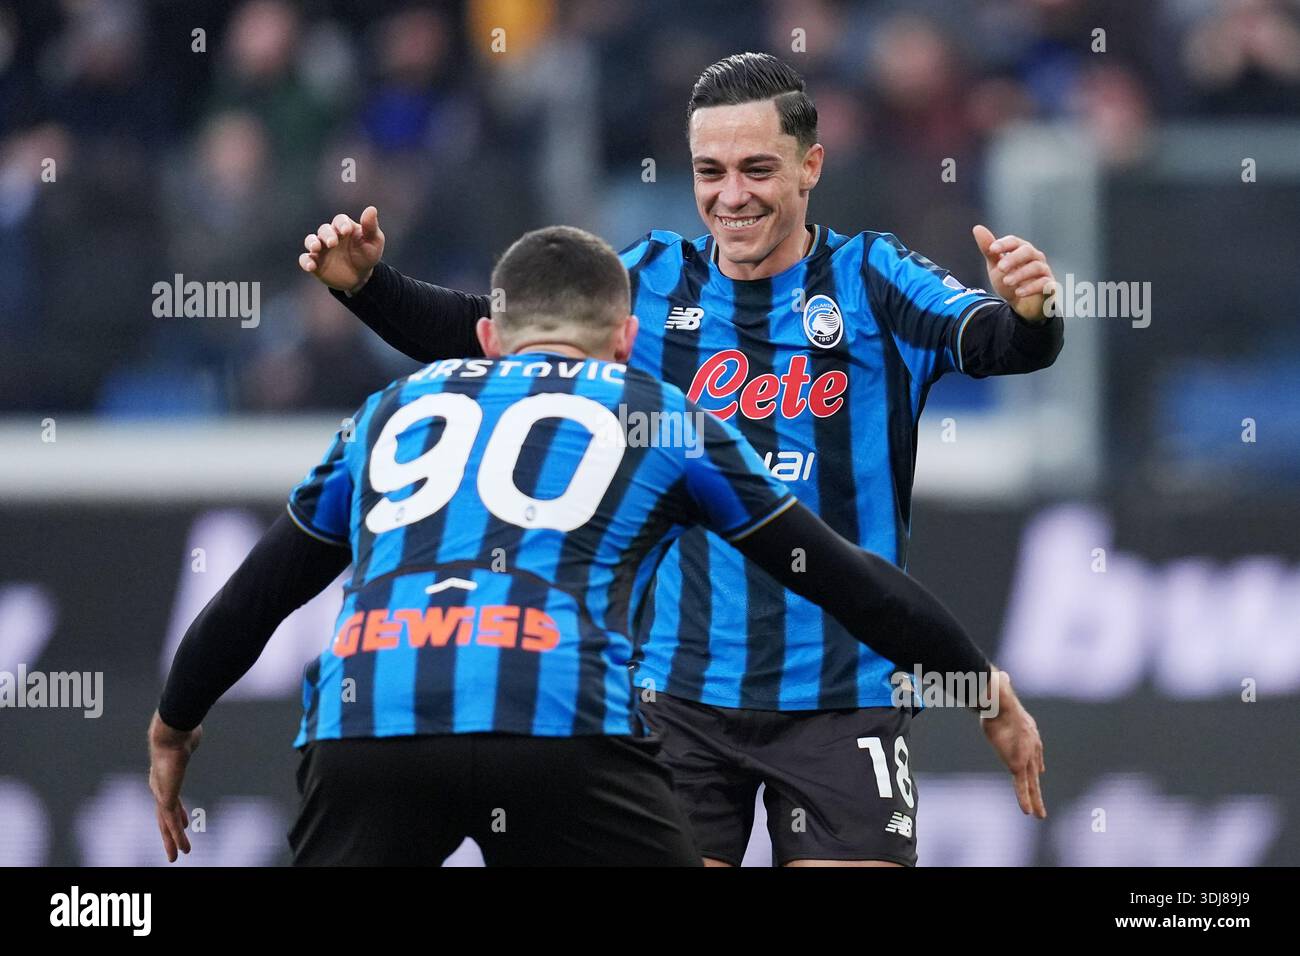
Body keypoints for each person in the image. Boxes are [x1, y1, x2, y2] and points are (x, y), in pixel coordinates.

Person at [299, 53, 1056, 866]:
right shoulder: (651, 280)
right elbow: (490, 333)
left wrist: (1031, 309)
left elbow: (998, 345)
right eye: (711, 171)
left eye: (758, 170)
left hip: (845, 694)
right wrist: (370, 287)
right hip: (676, 694)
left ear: (811, 167)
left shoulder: (874, 279)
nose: (732, 196)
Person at [150, 225, 1038, 866]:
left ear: (491, 341)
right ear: (625, 344)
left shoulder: (393, 408)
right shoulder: (656, 412)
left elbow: (258, 592)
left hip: (370, 716)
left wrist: (175, 721)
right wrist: (978, 683)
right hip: (557, 716)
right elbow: (845, 578)